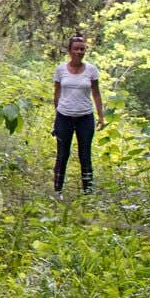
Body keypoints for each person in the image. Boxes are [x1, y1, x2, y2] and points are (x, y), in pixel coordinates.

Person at [51, 34, 104, 196]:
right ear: (69, 51)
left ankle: (88, 192)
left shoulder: (91, 70)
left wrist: (101, 117)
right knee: (62, 154)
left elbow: (96, 93)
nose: (79, 52)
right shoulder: (60, 70)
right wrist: (57, 117)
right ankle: (57, 191)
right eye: (76, 49)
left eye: (82, 49)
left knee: (85, 154)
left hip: (85, 117)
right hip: (64, 117)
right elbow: (56, 94)